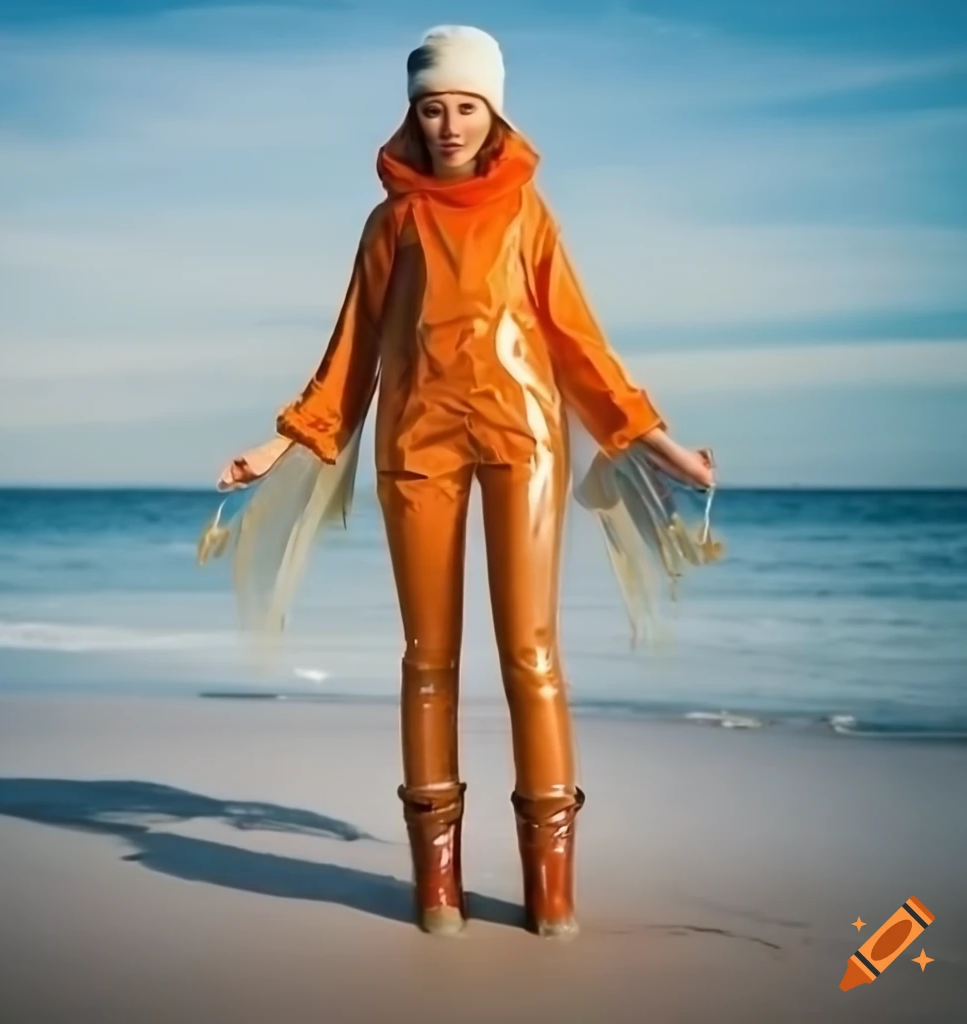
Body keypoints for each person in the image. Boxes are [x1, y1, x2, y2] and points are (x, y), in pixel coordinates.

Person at [201, 25, 718, 941]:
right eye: (433, 107)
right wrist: (281, 444)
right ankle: (436, 885)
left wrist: (660, 442)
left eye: (466, 107)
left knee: (532, 653)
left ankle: (550, 888)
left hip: (525, 439)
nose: (449, 125)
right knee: (428, 657)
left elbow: (578, 343)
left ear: (494, 114)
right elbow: (352, 352)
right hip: (416, 443)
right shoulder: (390, 224)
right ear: (414, 114)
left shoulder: (528, 215)